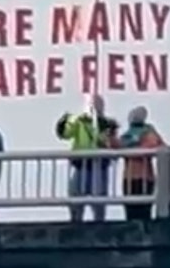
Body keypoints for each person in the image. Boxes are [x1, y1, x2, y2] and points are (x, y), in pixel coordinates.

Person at [56, 94, 119, 222]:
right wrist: (64, 122)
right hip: (81, 164)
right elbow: (66, 134)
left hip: (98, 165)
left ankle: (98, 223)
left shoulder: (107, 124)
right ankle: (76, 221)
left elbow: (112, 144)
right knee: (76, 198)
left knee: (98, 200)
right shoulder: (79, 122)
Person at [119, 106, 164, 221]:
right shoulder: (126, 135)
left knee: (144, 210)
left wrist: (133, 149)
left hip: (144, 177)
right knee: (130, 210)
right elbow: (117, 147)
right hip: (129, 177)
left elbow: (156, 146)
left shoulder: (149, 132)